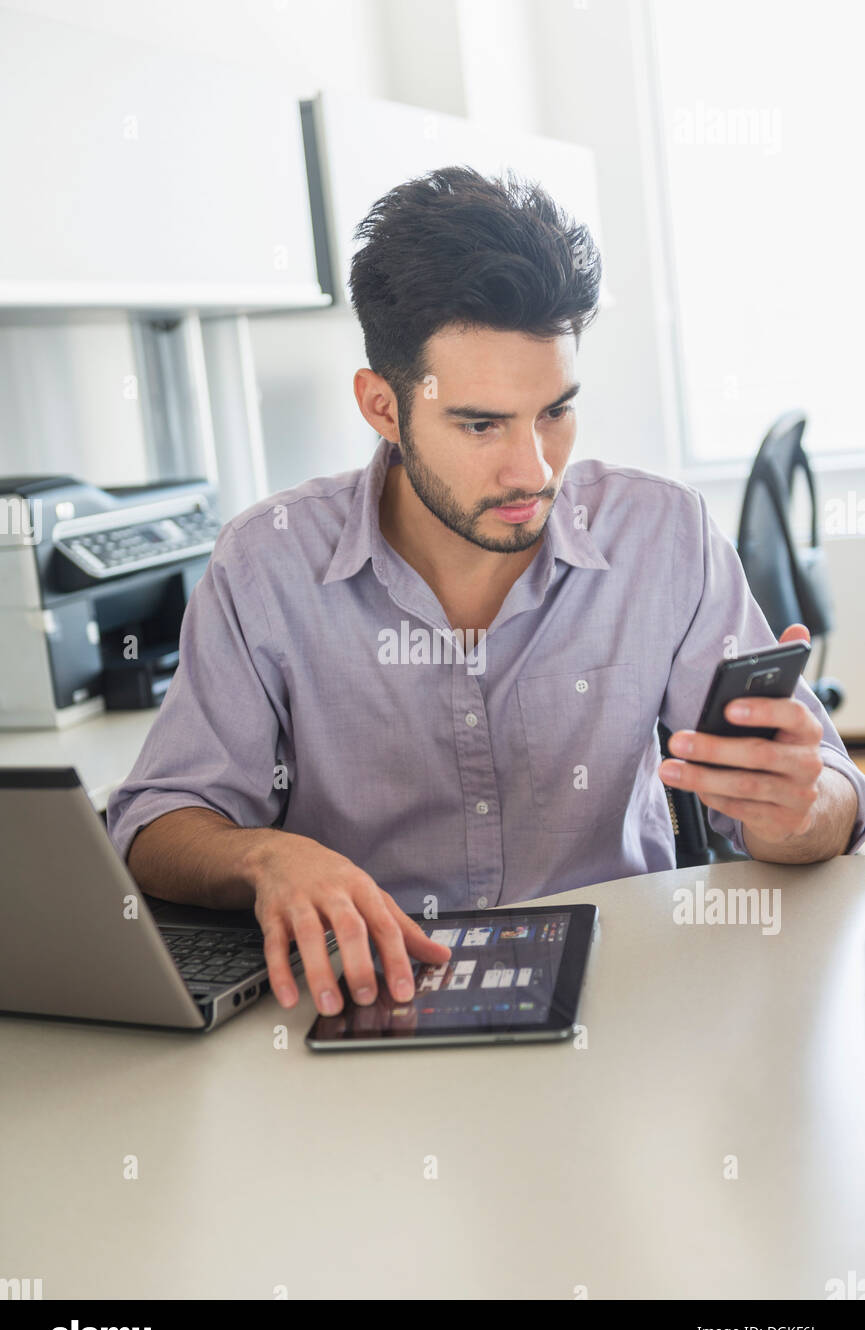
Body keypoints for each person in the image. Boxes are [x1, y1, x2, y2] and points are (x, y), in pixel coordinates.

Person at [106, 166, 865, 1018]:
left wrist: (797, 807)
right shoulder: (264, 565)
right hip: (365, 1006)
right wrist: (265, 858)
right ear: (382, 407)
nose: (531, 470)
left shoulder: (664, 535)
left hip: (626, 1006)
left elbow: (831, 802)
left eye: (554, 411)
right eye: (480, 424)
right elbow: (156, 823)